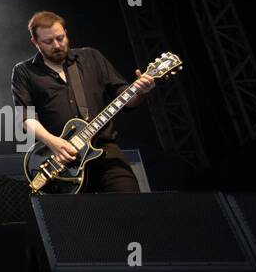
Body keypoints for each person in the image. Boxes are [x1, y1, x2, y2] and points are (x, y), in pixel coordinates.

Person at [11, 11, 155, 192]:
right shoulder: (24, 72)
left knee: (131, 206)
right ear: (35, 42)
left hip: (105, 151)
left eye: (60, 38)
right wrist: (52, 142)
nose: (57, 45)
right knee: (80, 219)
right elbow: (26, 117)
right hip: (60, 158)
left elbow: (125, 99)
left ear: (65, 32)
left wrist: (141, 92)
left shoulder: (90, 57)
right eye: (48, 42)